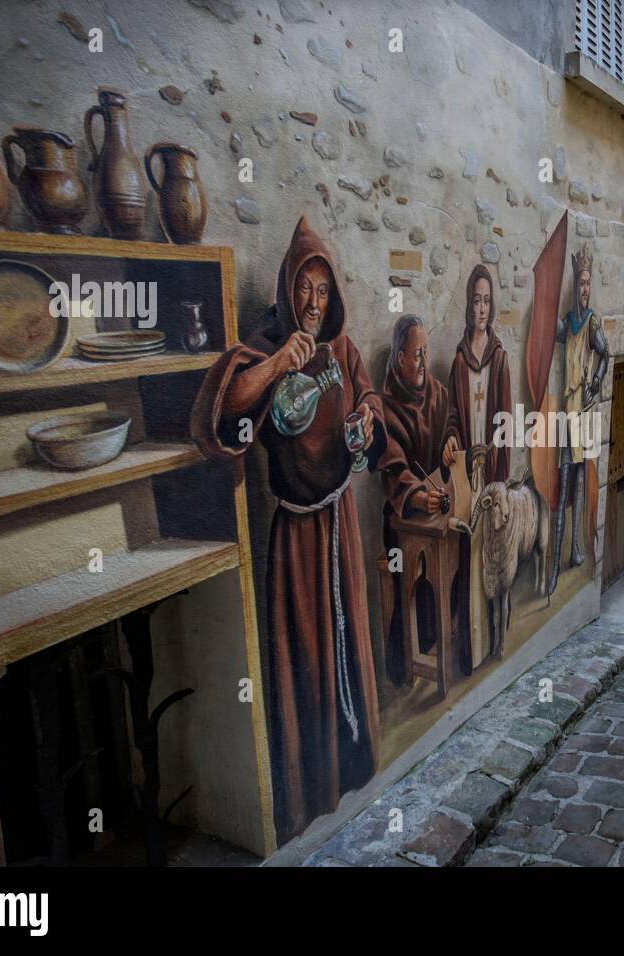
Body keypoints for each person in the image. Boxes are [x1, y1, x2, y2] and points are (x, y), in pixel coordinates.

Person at [190, 215, 385, 844]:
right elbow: (224, 404)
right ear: (287, 287)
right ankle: (312, 788)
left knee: (347, 645)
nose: (312, 301)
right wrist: (278, 364)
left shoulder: (344, 349)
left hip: (340, 523)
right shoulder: (265, 344)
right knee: (304, 655)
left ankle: (353, 763)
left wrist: (363, 420)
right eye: (305, 286)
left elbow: (369, 401)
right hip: (296, 532)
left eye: (323, 291)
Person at [442, 265, 512, 667]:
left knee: (494, 552)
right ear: (468, 304)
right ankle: (472, 645)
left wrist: (501, 478)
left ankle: (496, 639)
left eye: (487, 300)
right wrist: (452, 435)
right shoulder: (457, 360)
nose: (481, 308)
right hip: (467, 472)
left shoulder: (499, 357)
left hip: (493, 471)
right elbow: (452, 413)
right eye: (475, 300)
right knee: (469, 553)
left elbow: (503, 420)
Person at [379, 314, 451, 677]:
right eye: (416, 354)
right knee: (406, 581)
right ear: (400, 358)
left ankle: (438, 645)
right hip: (401, 516)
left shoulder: (436, 392)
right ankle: (403, 666)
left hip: (435, 505)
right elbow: (394, 470)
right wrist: (421, 499)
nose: (423, 361)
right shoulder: (386, 405)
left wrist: (451, 440)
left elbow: (450, 422)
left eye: (426, 352)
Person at [549, 245, 609, 594]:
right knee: (564, 482)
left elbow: (605, 354)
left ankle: (575, 547)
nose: (585, 289)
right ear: (574, 286)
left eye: (588, 283)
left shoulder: (592, 322)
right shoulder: (567, 324)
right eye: (580, 283)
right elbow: (548, 332)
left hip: (583, 410)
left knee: (579, 481)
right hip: (566, 410)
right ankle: (557, 561)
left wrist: (596, 383)